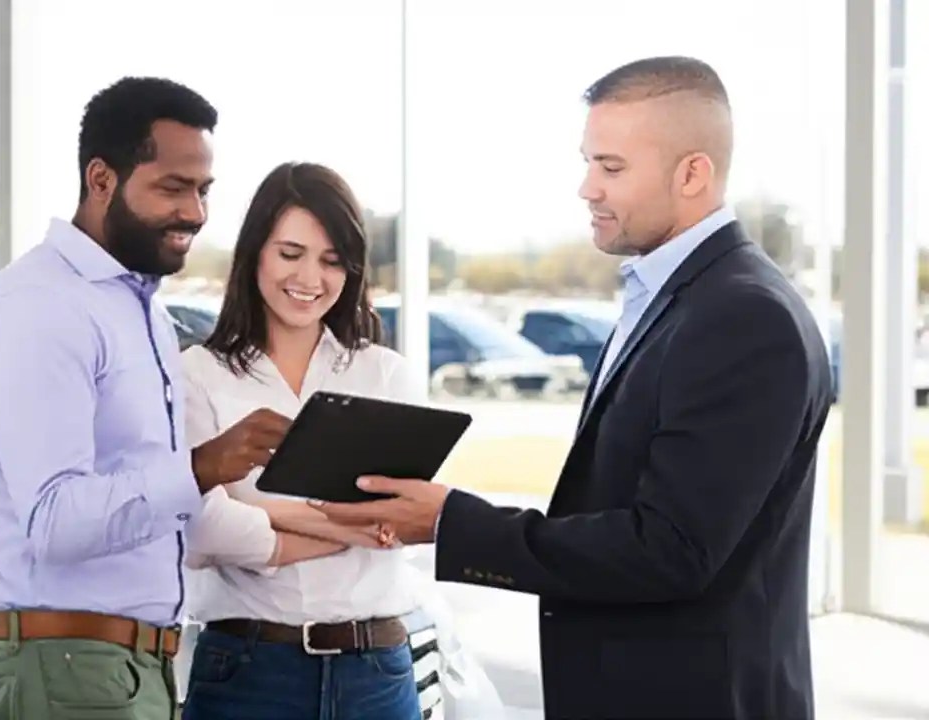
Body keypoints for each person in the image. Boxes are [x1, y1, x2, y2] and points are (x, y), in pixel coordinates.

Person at [312, 56, 833, 720]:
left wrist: (449, 521)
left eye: (611, 167)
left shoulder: (742, 316)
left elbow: (671, 550)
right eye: (588, 162)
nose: (587, 187)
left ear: (693, 173)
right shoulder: (681, 297)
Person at [0, 76, 288, 720]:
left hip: (130, 670)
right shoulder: (42, 306)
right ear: (101, 179)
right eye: (172, 187)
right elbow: (53, 521)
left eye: (202, 190)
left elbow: (158, 507)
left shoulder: (139, 312)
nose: (195, 212)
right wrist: (202, 465)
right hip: (66, 672)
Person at [178, 161, 424, 720]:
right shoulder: (197, 374)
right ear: (255, 253)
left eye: (331, 261)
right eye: (291, 253)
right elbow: (198, 528)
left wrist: (256, 504)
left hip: (375, 672)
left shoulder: (384, 375)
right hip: (247, 669)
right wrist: (343, 526)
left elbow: (400, 525)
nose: (310, 279)